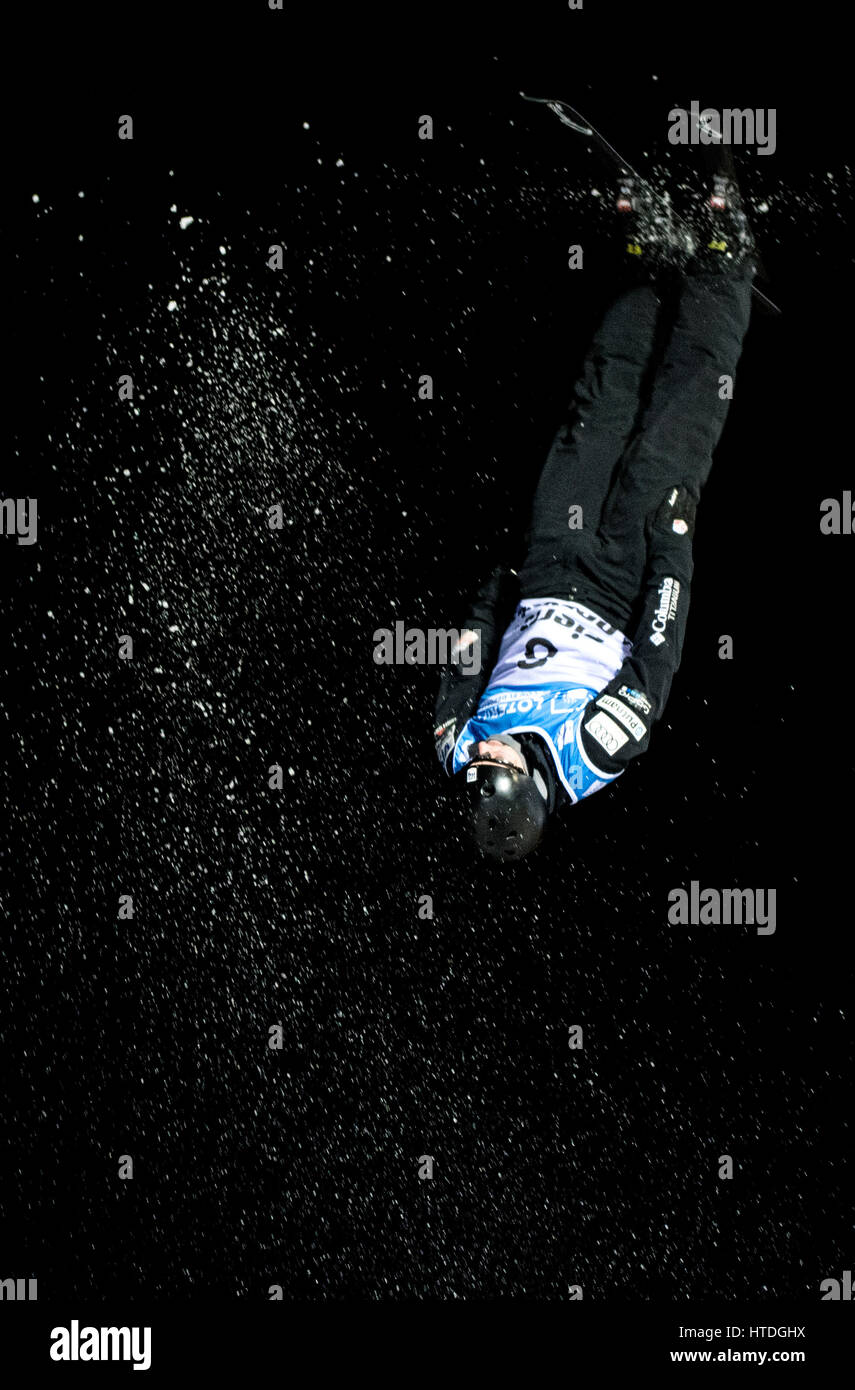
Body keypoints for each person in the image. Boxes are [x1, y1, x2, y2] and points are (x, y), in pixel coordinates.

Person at [434, 143, 757, 863]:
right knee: (681, 413)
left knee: (599, 400)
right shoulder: (595, 750)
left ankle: (645, 259)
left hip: (549, 558)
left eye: (479, 770)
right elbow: (657, 652)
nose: (485, 753)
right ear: (528, 791)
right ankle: (723, 254)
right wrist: (673, 540)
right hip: (622, 573)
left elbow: (466, 655)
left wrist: (498, 579)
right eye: (498, 769)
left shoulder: (459, 751)